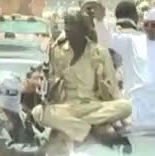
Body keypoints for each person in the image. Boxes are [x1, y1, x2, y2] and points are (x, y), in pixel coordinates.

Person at [32, 11, 132, 146]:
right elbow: (51, 85)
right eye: (66, 26)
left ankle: (79, 126)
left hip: (93, 106)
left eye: (72, 26)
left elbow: (114, 90)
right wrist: (46, 85)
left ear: (83, 30)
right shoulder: (57, 51)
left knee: (126, 106)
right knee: (38, 112)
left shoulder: (99, 53)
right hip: (67, 107)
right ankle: (86, 128)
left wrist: (124, 119)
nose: (68, 30)